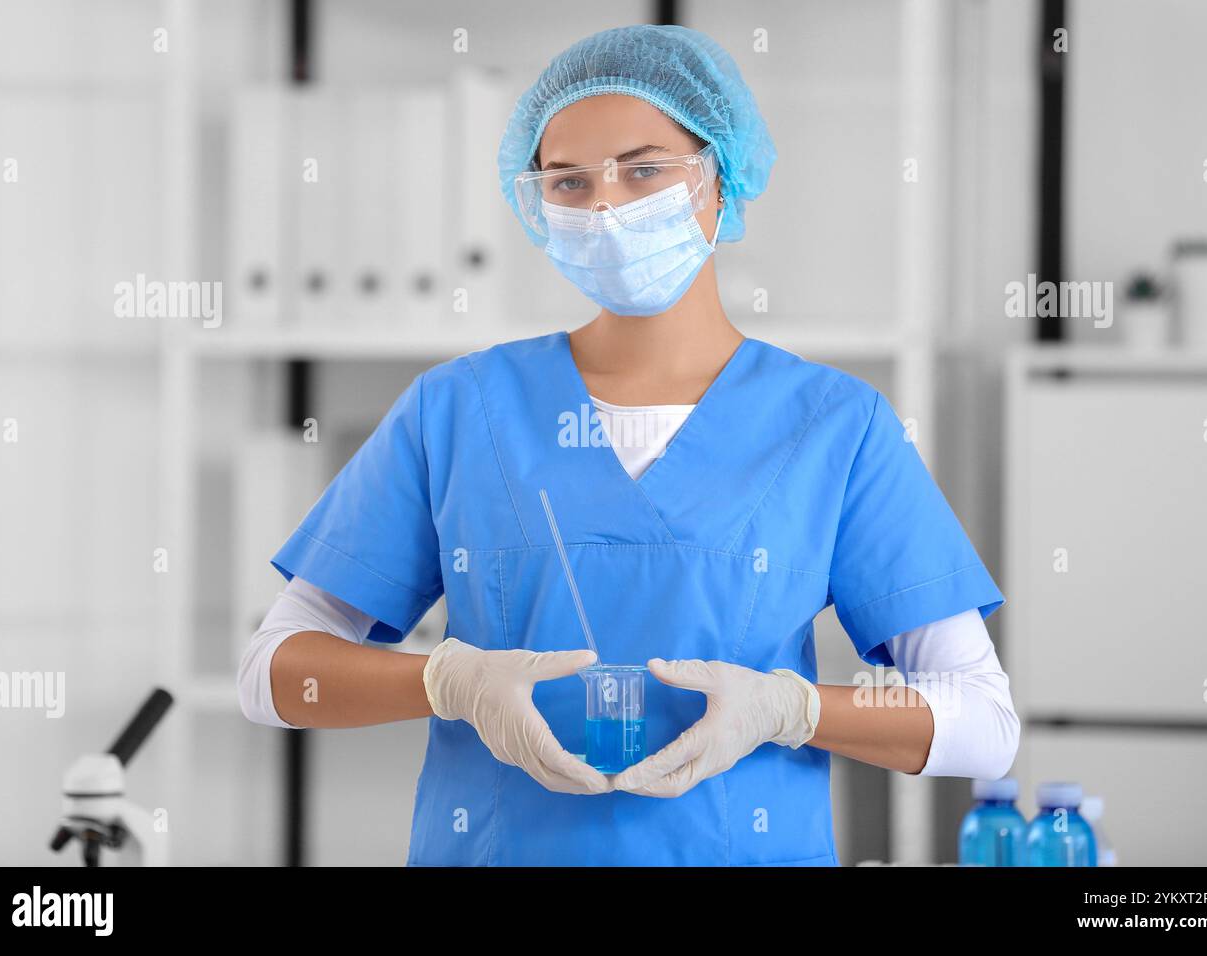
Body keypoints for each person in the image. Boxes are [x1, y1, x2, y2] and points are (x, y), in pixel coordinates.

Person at [238, 23, 1019, 866]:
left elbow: (984, 723)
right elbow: (272, 671)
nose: (605, 206)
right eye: (569, 182)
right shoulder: (460, 409)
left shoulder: (835, 426)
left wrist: (792, 710)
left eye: (644, 169)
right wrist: (447, 681)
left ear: (720, 180)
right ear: (537, 205)